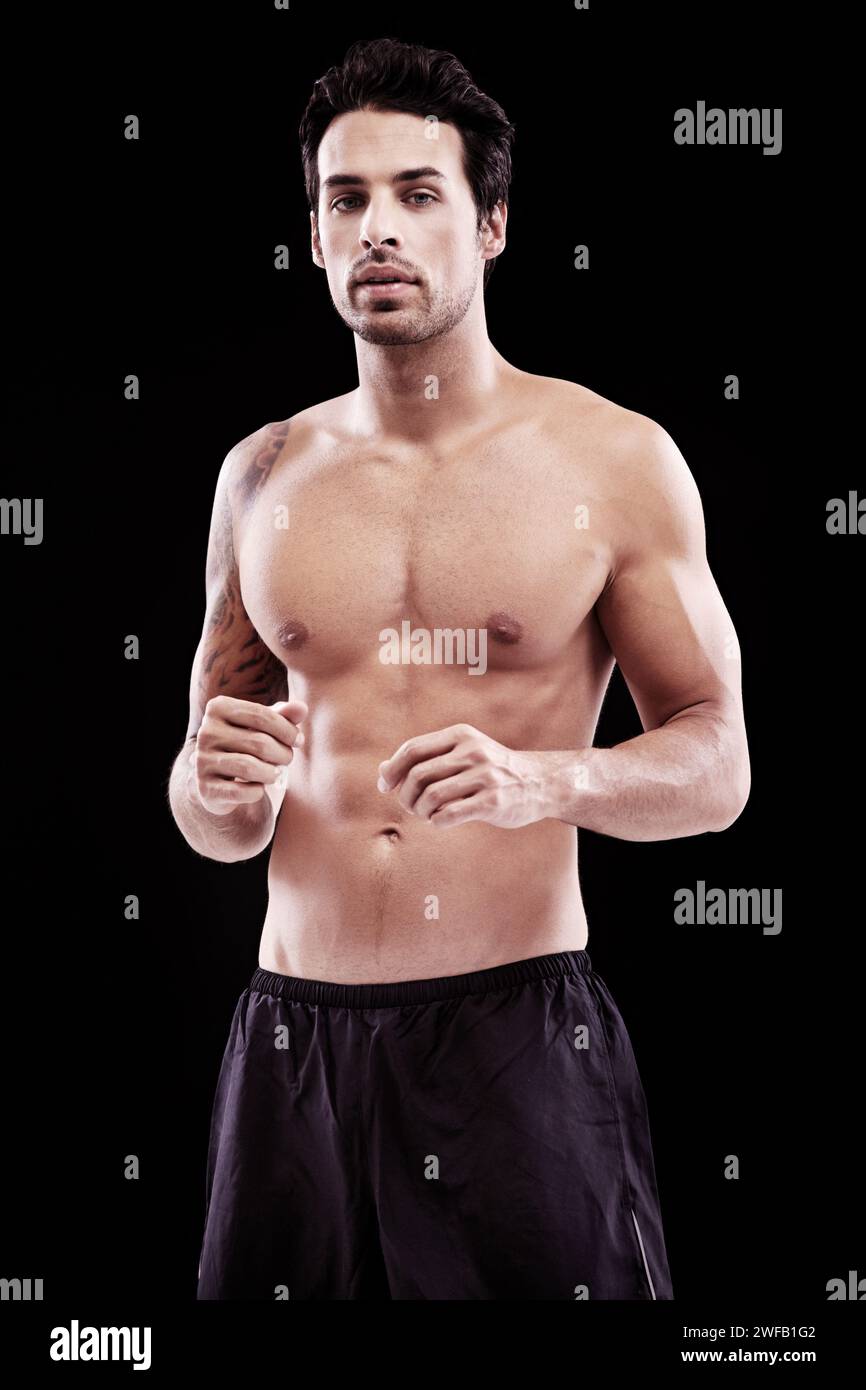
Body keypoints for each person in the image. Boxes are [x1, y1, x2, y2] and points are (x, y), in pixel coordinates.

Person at [169, 37, 750, 1300]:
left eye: (416, 194)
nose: (376, 228)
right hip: (289, 1040)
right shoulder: (259, 474)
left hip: (513, 1039)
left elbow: (717, 766)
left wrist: (547, 781)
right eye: (345, 199)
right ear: (313, 236)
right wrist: (208, 791)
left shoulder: (612, 461)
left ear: (489, 225)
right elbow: (215, 805)